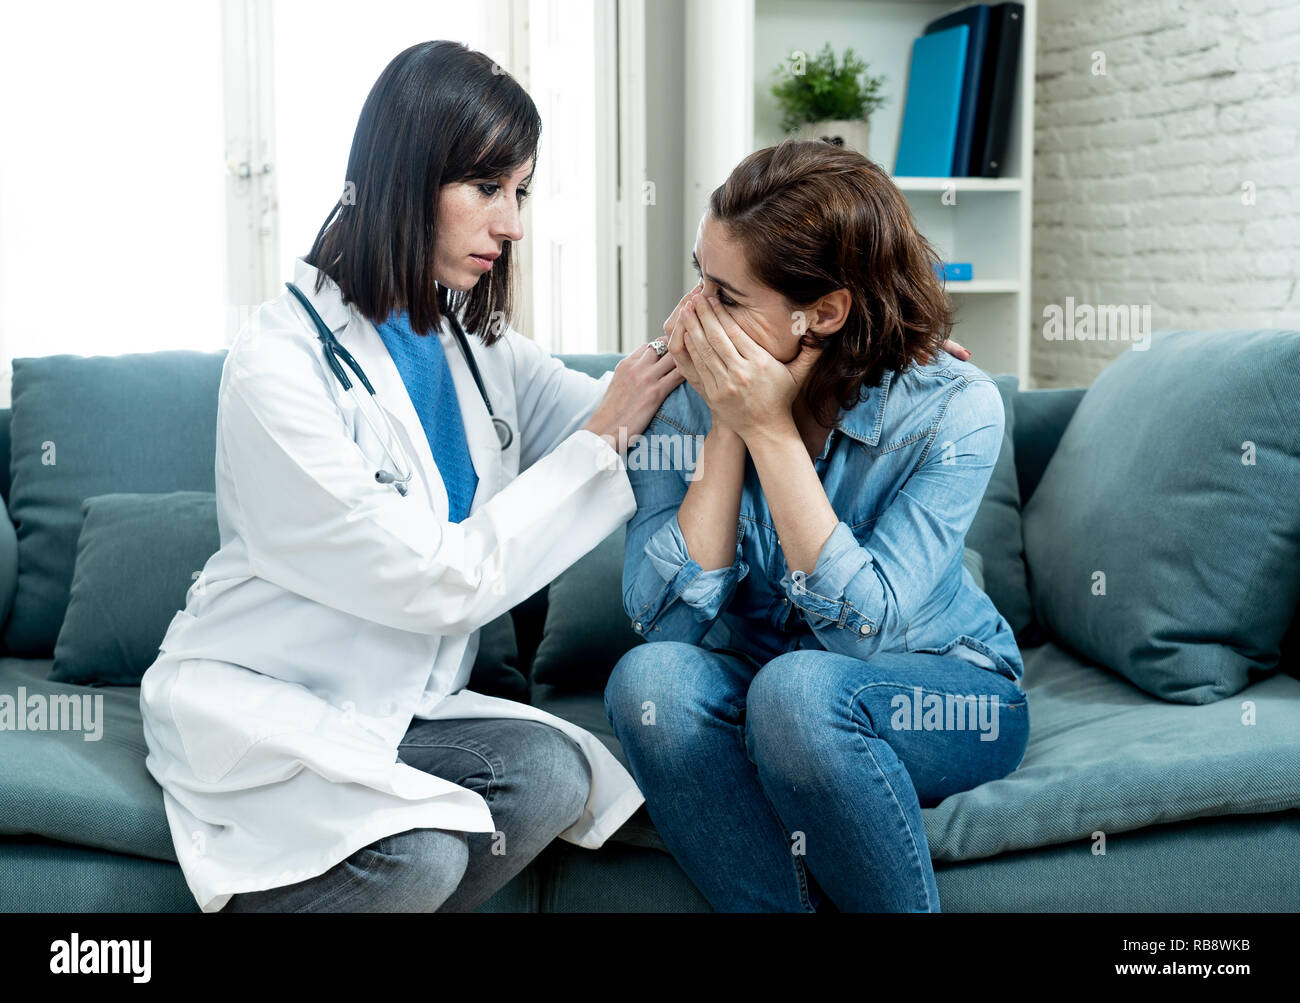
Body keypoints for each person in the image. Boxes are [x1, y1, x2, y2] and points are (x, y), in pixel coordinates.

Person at [138, 40, 681, 913]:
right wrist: (603, 437)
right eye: (485, 188)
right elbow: (438, 577)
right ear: (401, 177)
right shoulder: (279, 365)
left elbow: (641, 409)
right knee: (417, 858)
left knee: (549, 773)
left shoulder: (473, 343)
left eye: (521, 193)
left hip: (392, 712)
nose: (511, 225)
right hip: (263, 700)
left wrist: (855, 364)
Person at [604, 139, 1029, 913]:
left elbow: (863, 635)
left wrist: (770, 430)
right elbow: (662, 622)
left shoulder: (955, 407)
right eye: (699, 277)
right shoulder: (682, 389)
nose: (692, 316)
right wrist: (731, 424)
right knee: (649, 684)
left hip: (944, 685)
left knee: (798, 692)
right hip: (764, 679)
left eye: (726, 297)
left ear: (824, 312)